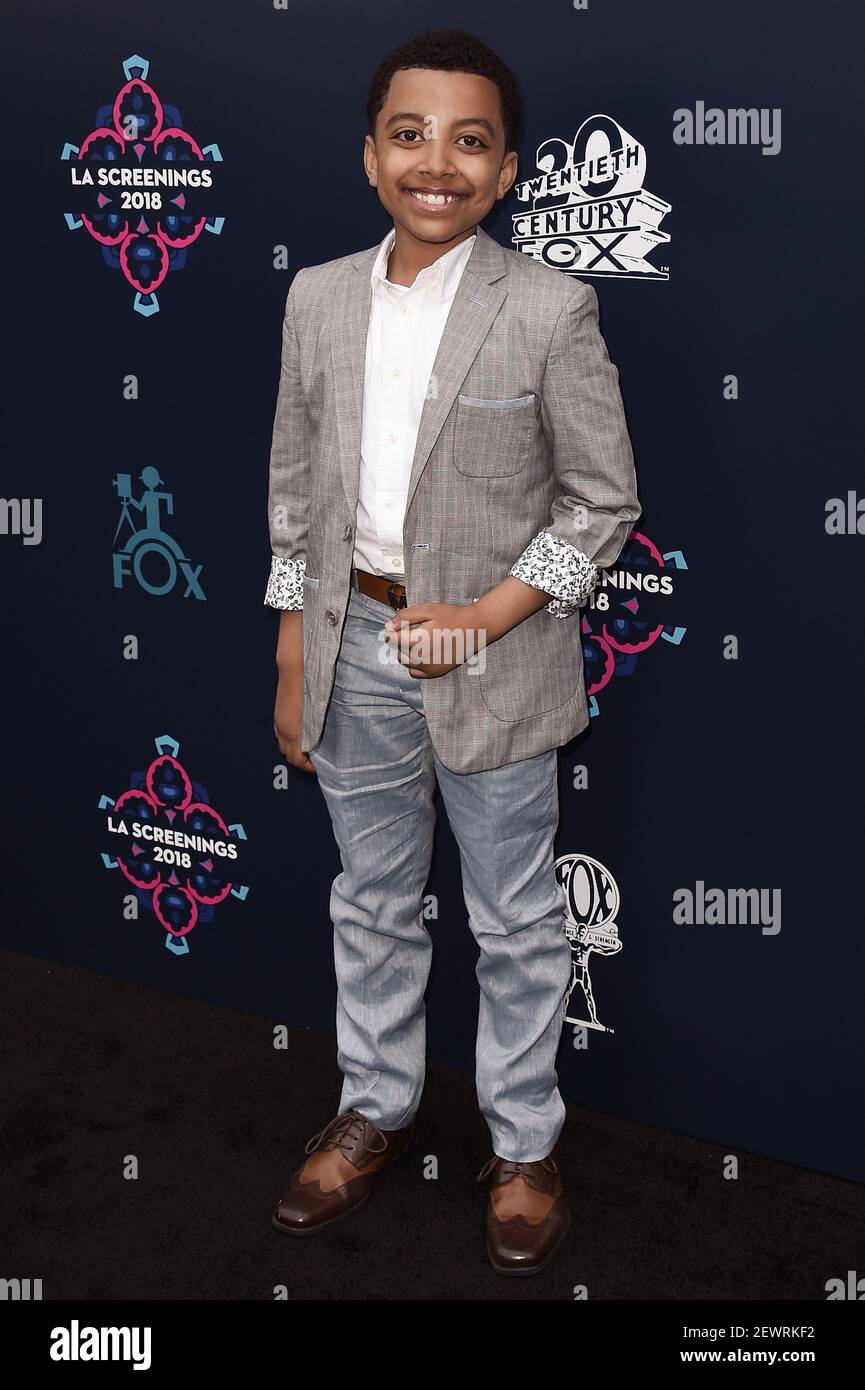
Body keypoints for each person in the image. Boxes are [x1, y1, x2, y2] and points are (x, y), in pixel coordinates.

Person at [264, 27, 641, 1277]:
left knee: (517, 916)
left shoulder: (548, 305)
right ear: (371, 156)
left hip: (496, 658)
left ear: (508, 170)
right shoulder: (316, 296)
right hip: (349, 649)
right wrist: (292, 653)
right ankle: (372, 1104)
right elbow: (295, 489)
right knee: (370, 900)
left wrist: (482, 615)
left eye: (469, 141)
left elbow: (602, 503)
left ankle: (523, 1143)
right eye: (410, 135)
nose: (439, 162)